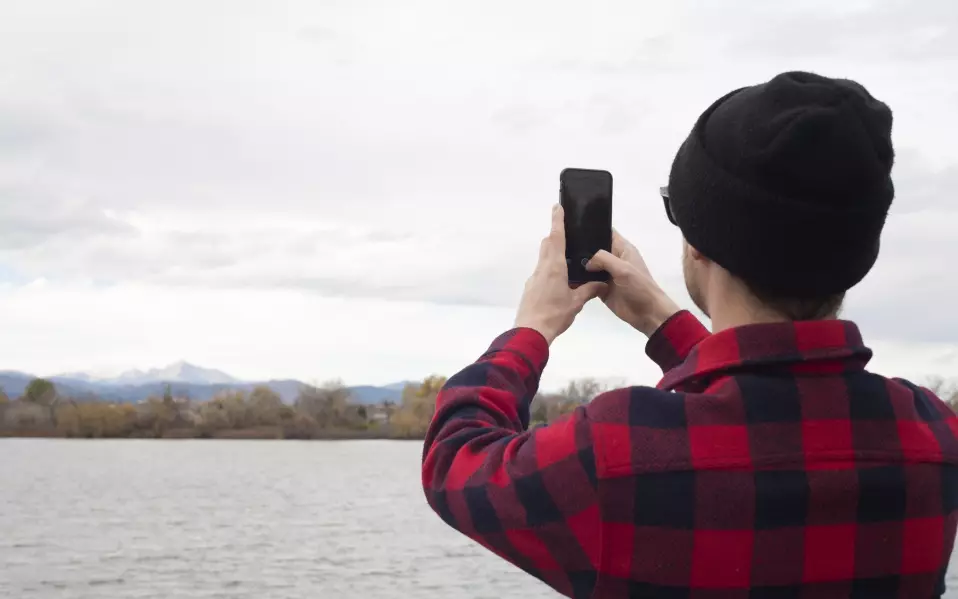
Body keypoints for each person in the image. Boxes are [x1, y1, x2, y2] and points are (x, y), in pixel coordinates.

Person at [421, 71, 958, 598]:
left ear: (699, 242)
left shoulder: (615, 452)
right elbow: (772, 416)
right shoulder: (934, 438)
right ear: (859, 254)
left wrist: (533, 328)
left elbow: (455, 462)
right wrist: (663, 321)